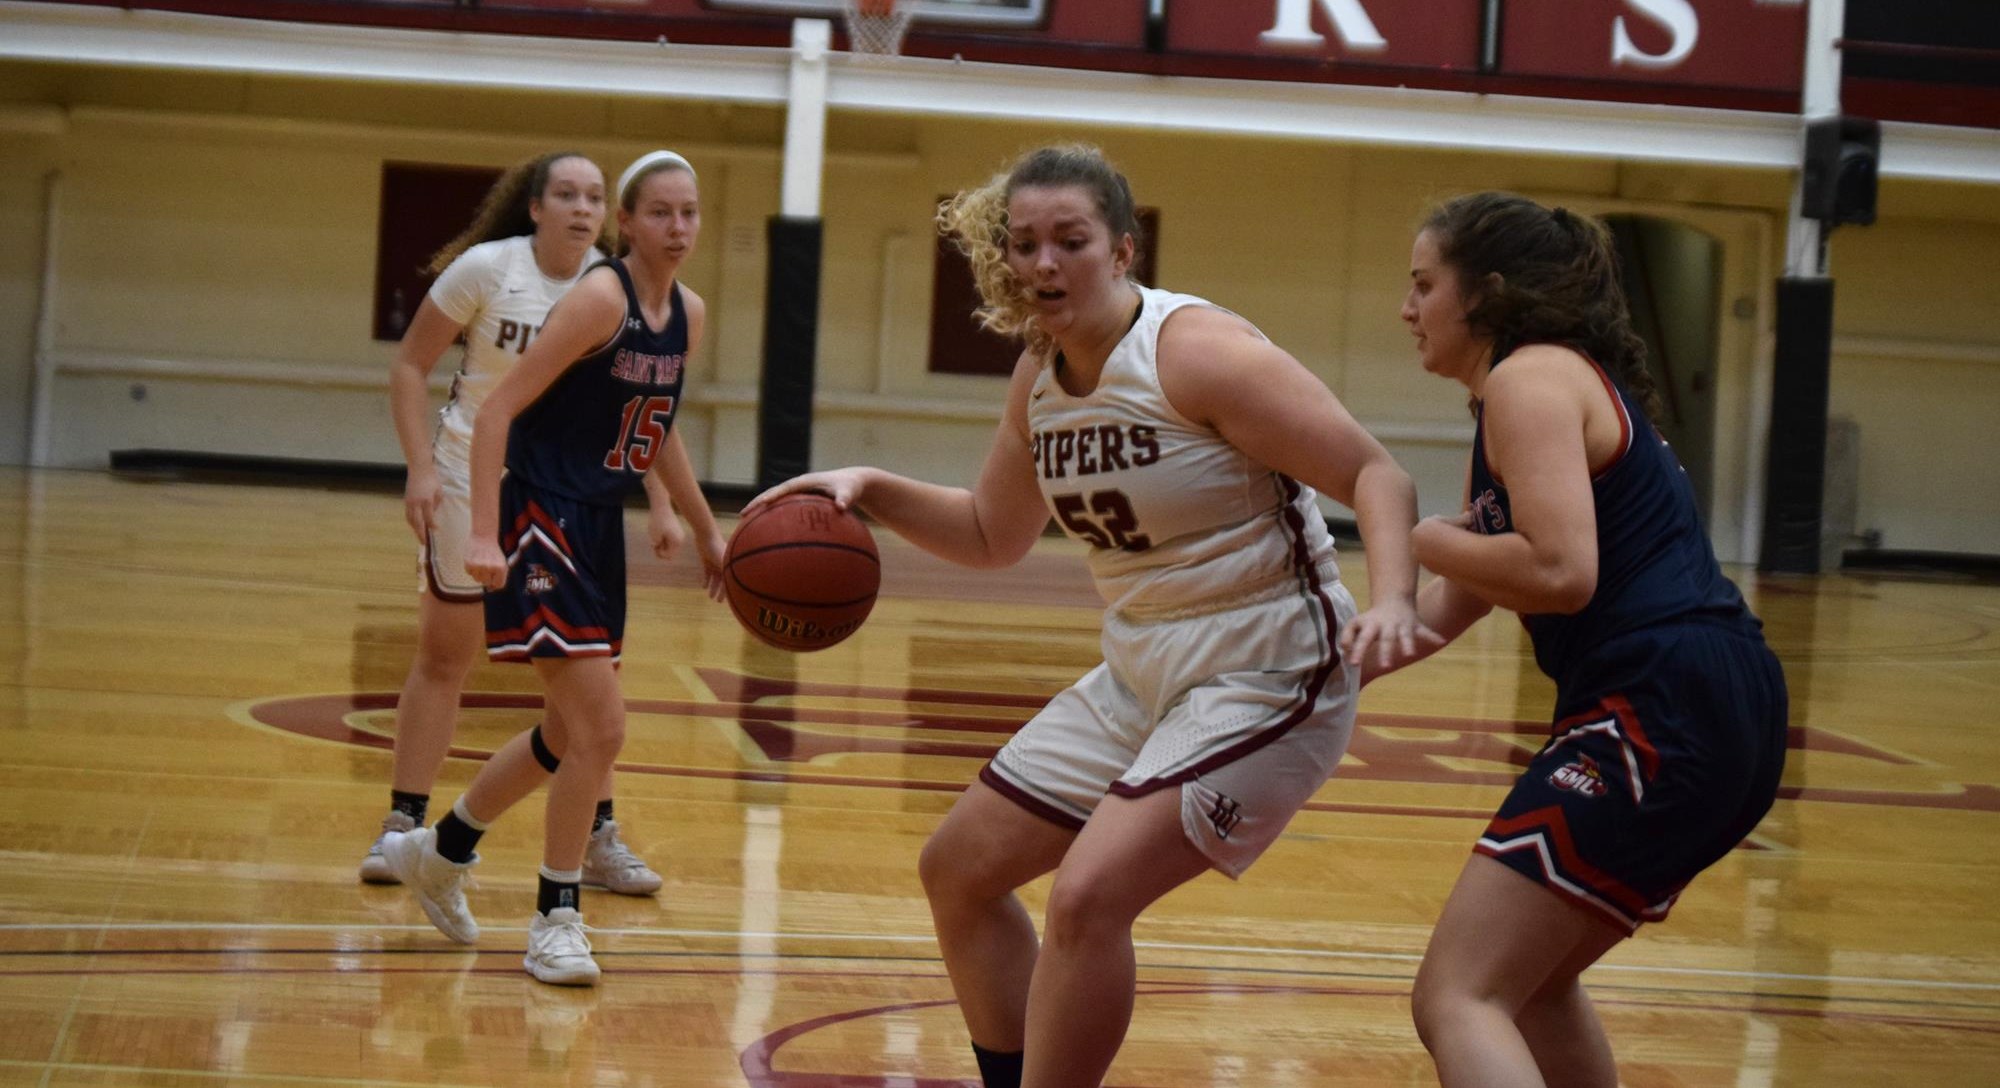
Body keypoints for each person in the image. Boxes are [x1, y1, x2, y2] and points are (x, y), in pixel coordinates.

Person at [743, 144, 1435, 1087]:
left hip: (1268, 665)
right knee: (959, 871)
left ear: (1121, 250)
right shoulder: (1038, 378)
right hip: (1141, 669)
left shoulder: (1196, 353)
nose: (1042, 264)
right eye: (1024, 244)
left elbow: (1375, 474)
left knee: (1088, 898)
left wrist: (1393, 596)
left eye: (1069, 240)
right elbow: (992, 534)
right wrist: (868, 485)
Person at [1373, 192, 1788, 1087]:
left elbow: (1561, 573)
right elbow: (1446, 610)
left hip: (1662, 696)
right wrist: (1293, 675)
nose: (1407, 310)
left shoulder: (1529, 379)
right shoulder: (1535, 391)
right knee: (1528, 989)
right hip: (1711, 703)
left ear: (1484, 292)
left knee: (1457, 995)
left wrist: (1423, 534)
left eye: (1422, 285)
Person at [381, 150, 726, 986]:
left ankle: (443, 849)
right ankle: (555, 917)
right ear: (630, 225)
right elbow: (498, 408)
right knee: (603, 730)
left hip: (599, 522)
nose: (677, 228)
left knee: (570, 732)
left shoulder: (688, 312)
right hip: (543, 515)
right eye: (660, 213)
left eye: (690, 213)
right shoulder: (600, 297)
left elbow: (658, 424)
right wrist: (487, 534)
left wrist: (706, 528)